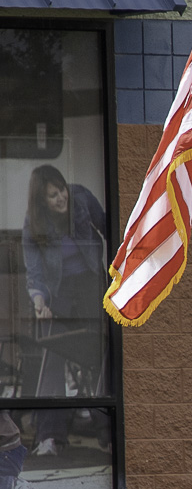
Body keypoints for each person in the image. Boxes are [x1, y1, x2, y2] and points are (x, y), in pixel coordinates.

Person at [21, 165, 108, 455]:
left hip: (91, 282)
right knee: (53, 353)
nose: (61, 198)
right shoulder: (33, 223)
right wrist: (39, 302)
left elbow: (109, 228)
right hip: (58, 293)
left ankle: (107, 431)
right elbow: (34, 273)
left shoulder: (82, 197)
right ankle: (50, 437)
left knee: (99, 352)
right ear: (41, 201)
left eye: (62, 190)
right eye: (52, 195)